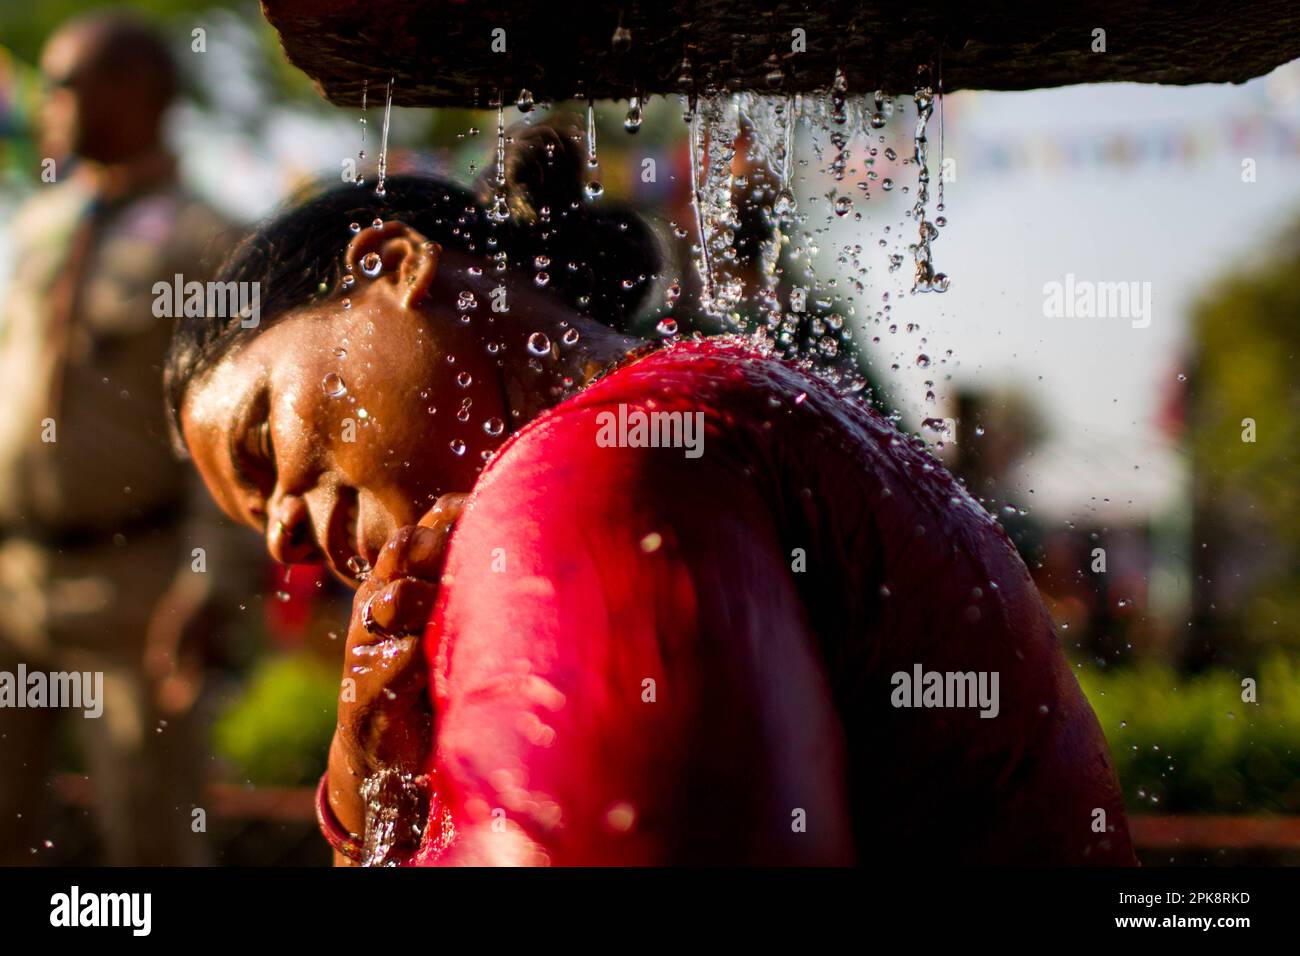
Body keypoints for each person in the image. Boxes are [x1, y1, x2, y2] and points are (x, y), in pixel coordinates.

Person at [166, 121, 1135, 866]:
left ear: (392, 264)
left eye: (262, 443)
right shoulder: (720, 398)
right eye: (256, 521)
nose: (285, 540)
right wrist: (372, 796)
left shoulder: (594, 470)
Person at [0, 12, 254, 865]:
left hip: (134, 590)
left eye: (71, 82)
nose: (49, 100)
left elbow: (230, 428)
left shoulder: (209, 241)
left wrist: (210, 577)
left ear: (139, 91)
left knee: (150, 839)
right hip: (15, 579)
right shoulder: (41, 225)